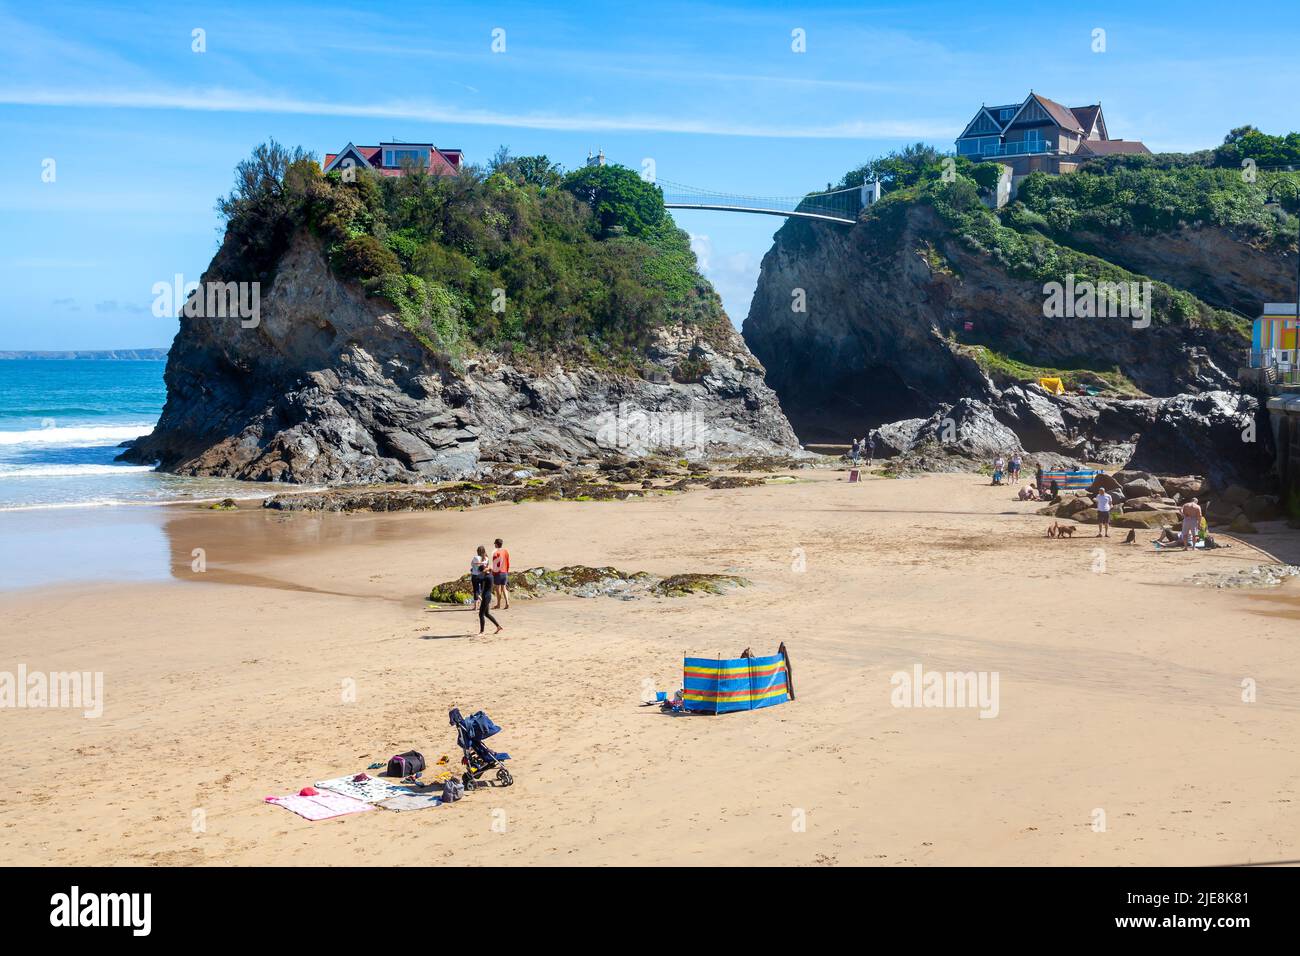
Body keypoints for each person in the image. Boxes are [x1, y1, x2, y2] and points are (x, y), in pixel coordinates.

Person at [477, 568, 503, 634]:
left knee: (481, 614)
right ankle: (498, 626)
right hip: (487, 596)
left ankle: (482, 632)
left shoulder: (487, 577)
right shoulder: (490, 575)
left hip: (486, 597)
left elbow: (478, 578)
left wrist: (483, 571)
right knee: (486, 614)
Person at [491, 538, 511, 609]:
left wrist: (493, 572)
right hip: (505, 572)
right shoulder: (505, 551)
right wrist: (507, 571)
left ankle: (498, 604)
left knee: (497, 588)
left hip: (498, 573)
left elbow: (495, 564)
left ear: (496, 544)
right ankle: (507, 603)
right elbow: (508, 562)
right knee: (504, 588)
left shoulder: (495, 553)